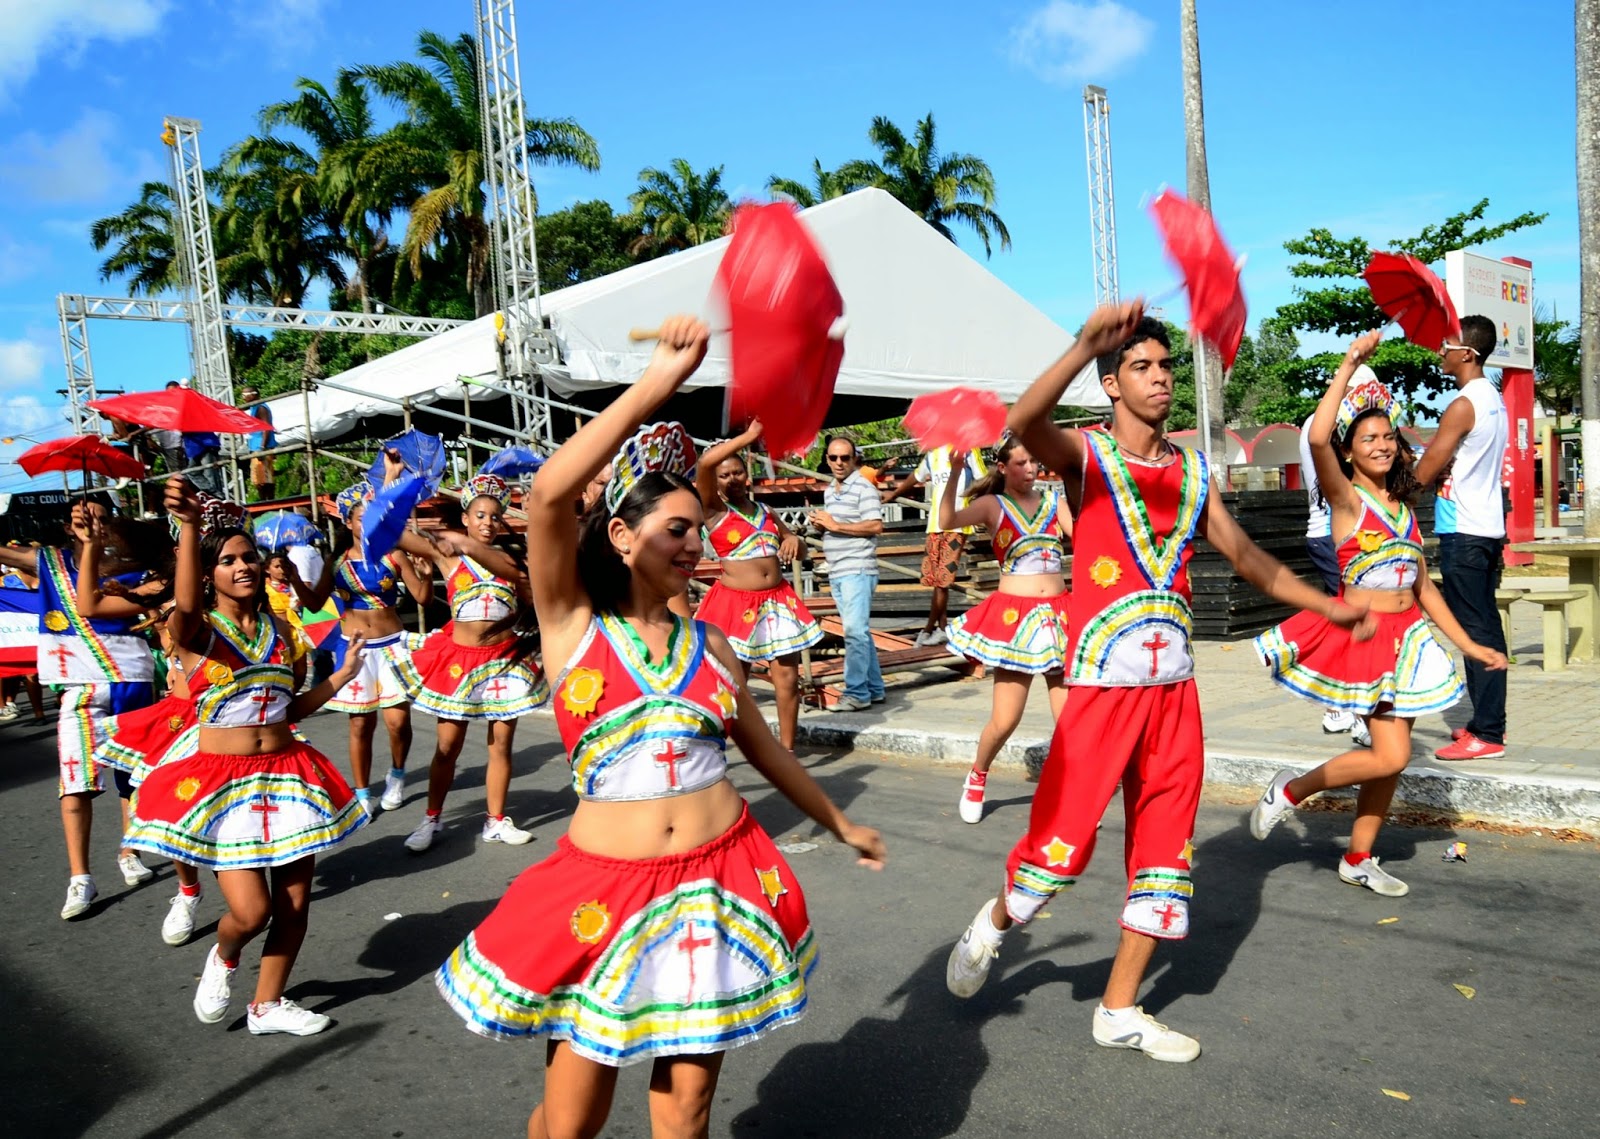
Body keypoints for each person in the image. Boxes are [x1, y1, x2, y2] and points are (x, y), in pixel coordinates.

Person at [435, 314, 885, 1139]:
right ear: (621, 534)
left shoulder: (711, 641)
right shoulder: (574, 627)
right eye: (676, 528)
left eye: (698, 530)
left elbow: (762, 751)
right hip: (603, 893)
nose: (692, 544)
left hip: (714, 883)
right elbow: (545, 497)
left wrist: (837, 818)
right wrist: (656, 384)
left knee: (688, 1112)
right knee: (572, 1120)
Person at [944, 306, 1372, 1062]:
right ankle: (996, 922)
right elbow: (1024, 416)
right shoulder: (1088, 459)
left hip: (1175, 695)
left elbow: (1251, 561)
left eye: (1167, 367)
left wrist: (1328, 605)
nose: (1161, 378)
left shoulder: (1198, 470)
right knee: (1060, 853)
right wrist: (1083, 343)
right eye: (1142, 367)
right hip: (1101, 694)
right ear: (1110, 384)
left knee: (1165, 854)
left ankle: (1119, 1008)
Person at [1250, 334, 1507, 896]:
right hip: (1363, 636)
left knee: (1390, 763)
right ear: (1349, 452)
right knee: (1389, 752)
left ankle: (1358, 858)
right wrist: (1347, 366)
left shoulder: (1404, 507)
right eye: (1369, 438)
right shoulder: (1346, 501)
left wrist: (1468, 644)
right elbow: (1318, 434)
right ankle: (1291, 789)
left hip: (1408, 639)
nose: (1384, 445)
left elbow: (1423, 589)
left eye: (1389, 435)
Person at [122, 478, 369, 1035]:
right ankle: (224, 955)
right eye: (228, 559)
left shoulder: (284, 631)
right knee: (251, 912)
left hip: (285, 774)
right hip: (223, 783)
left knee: (296, 905)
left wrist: (342, 679)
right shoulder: (198, 631)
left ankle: (266, 1005)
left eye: (249, 556)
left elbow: (289, 711)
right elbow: (184, 603)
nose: (243, 566)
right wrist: (188, 527)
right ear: (210, 573)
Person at [0, 504, 163, 920]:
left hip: (132, 680)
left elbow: (160, 592)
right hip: (79, 686)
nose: (92, 525)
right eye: (82, 519)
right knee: (75, 784)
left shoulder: (137, 567)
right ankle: (80, 877)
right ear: (70, 527)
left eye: (100, 519)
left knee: (135, 780)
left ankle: (130, 851)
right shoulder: (49, 563)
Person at [392, 468, 548, 852]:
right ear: (465, 518)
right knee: (448, 746)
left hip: (502, 660)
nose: (488, 523)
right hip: (460, 661)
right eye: (480, 515)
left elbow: (536, 604)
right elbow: (395, 532)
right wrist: (394, 484)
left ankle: (495, 821)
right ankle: (432, 818)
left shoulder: (510, 564)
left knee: (501, 744)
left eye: (495, 516)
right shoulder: (448, 558)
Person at [939, 436, 1071, 824]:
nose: (1030, 469)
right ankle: (978, 775)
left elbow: (1084, 535)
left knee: (1070, 719)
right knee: (1005, 719)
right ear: (1002, 468)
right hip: (1015, 622)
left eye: (1034, 462)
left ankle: (1071, 793)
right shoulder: (992, 505)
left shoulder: (1053, 502)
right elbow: (947, 521)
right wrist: (955, 473)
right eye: (1021, 463)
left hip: (1060, 617)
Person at [285, 480, 432, 812]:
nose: (366, 524)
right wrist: (294, 578)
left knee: (398, 722)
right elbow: (313, 603)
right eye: (360, 518)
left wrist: (427, 570)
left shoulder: (394, 555)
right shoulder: (336, 562)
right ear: (347, 522)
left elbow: (423, 598)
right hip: (355, 650)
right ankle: (363, 792)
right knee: (360, 723)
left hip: (393, 646)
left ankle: (396, 773)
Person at [694, 419, 822, 750]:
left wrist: (793, 538)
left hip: (778, 602)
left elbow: (798, 547)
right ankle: (718, 747)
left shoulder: (765, 510)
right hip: (735, 605)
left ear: (746, 473)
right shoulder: (712, 510)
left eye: (737, 472)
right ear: (716, 482)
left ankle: (788, 752)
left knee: (788, 679)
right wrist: (748, 437)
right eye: (724, 475)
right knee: (735, 681)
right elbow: (705, 464)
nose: (732, 479)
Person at [1415, 315, 1509, 760]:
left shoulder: (1462, 405)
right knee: (1482, 624)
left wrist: (1413, 469)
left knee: (1477, 631)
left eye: (1447, 344)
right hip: (1486, 527)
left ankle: (1488, 734)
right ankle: (1480, 724)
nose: (1440, 350)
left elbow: (1425, 470)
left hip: (1464, 530)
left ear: (1467, 353)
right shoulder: (1493, 398)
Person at [89, 602, 208, 946]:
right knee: (174, 810)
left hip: (236, 720)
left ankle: (247, 901)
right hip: (182, 719)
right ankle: (188, 892)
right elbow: (90, 603)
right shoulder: (170, 599)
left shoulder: (246, 606)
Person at [1300, 404, 1371, 748]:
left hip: (1334, 533)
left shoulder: (1327, 422)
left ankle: (1341, 707)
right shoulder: (1323, 425)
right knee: (1356, 621)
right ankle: (1345, 709)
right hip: (1334, 535)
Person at [882, 446, 988, 646]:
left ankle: (927, 629)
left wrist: (977, 507)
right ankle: (941, 627)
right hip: (935, 524)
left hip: (958, 523)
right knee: (935, 579)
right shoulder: (933, 453)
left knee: (943, 580)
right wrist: (894, 494)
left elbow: (983, 480)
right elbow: (917, 475)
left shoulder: (968, 450)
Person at [810, 435, 884, 712]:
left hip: (857, 567)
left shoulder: (864, 488)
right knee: (859, 632)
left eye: (845, 457)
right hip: (839, 568)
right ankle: (873, 689)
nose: (839, 463)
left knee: (854, 632)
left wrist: (835, 525)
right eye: (833, 458)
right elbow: (838, 524)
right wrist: (824, 525)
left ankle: (856, 693)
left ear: (855, 459)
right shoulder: (831, 490)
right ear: (827, 460)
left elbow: (876, 526)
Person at [240, 387, 275, 501]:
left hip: (261, 447)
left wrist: (262, 447)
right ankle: (265, 500)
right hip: (256, 446)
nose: (244, 398)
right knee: (259, 478)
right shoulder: (254, 408)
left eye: (246, 395)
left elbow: (266, 428)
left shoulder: (261, 408)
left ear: (254, 395)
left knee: (263, 478)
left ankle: (268, 501)